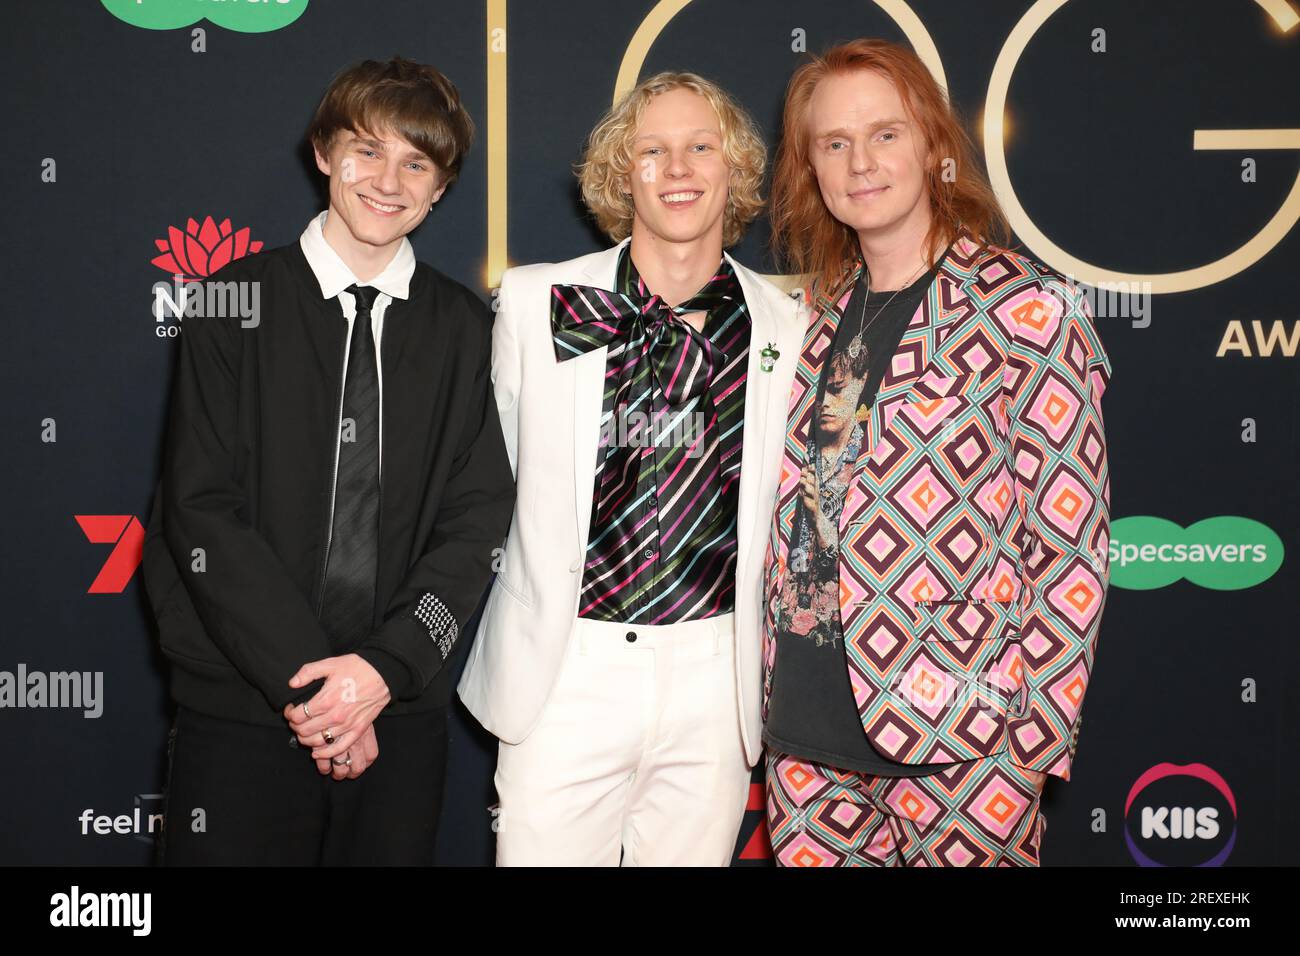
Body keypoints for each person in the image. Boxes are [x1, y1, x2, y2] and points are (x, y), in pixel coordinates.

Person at [141, 56, 514, 865]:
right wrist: (322, 693)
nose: (388, 180)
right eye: (366, 150)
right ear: (323, 152)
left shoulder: (467, 330)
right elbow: (201, 509)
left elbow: (476, 518)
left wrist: (382, 673)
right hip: (245, 706)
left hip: (398, 712)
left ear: (442, 186)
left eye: (417, 162)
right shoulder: (228, 305)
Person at [762, 38, 1112, 866]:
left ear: (930, 143)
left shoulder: (1025, 311)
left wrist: (1029, 742)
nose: (860, 163)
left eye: (884, 134)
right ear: (812, 166)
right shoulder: (814, 320)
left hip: (963, 738)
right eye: (834, 143)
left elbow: (1071, 550)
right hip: (806, 744)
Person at [458, 72, 807, 866]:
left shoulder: (788, 326)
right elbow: (488, 482)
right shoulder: (533, 303)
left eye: (699, 148)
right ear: (622, 174)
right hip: (564, 672)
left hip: (716, 679)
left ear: (734, 171)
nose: (677, 168)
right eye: (652, 151)